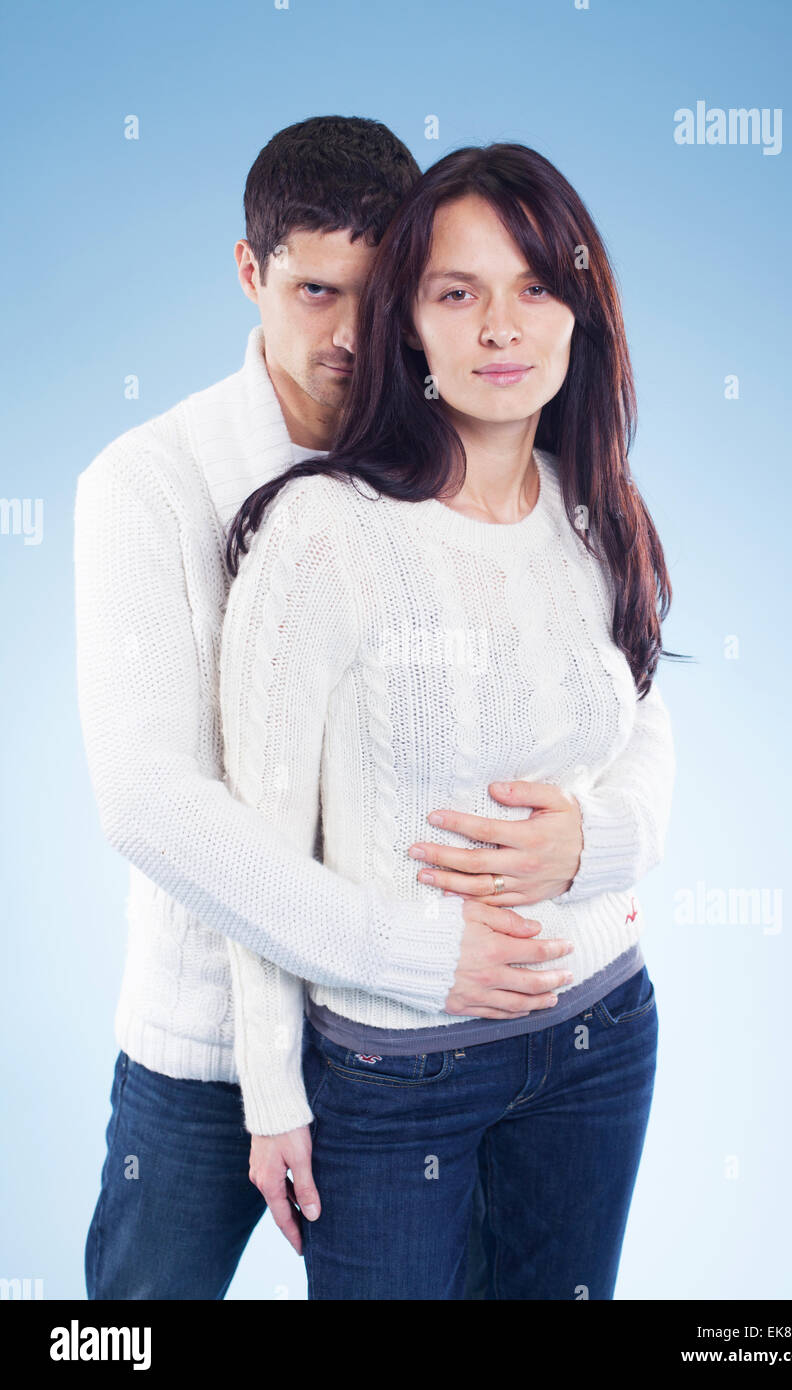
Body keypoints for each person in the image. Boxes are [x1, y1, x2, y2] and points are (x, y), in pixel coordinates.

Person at [74, 117, 587, 1301]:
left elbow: (597, 675)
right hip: (212, 1049)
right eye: (313, 290)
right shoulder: (148, 483)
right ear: (247, 272)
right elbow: (150, 801)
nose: (351, 333)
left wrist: (583, 838)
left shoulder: (464, 445)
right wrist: (410, 955)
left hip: (415, 1047)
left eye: (379, 292)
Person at [220, 141, 678, 1300]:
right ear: (407, 326)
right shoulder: (322, 533)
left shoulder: (593, 510)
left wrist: (595, 842)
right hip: (393, 1071)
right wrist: (271, 1096)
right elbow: (252, 844)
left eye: (535, 287)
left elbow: (641, 736)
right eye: (456, 292)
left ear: (581, 314)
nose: (499, 328)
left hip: (597, 1037)